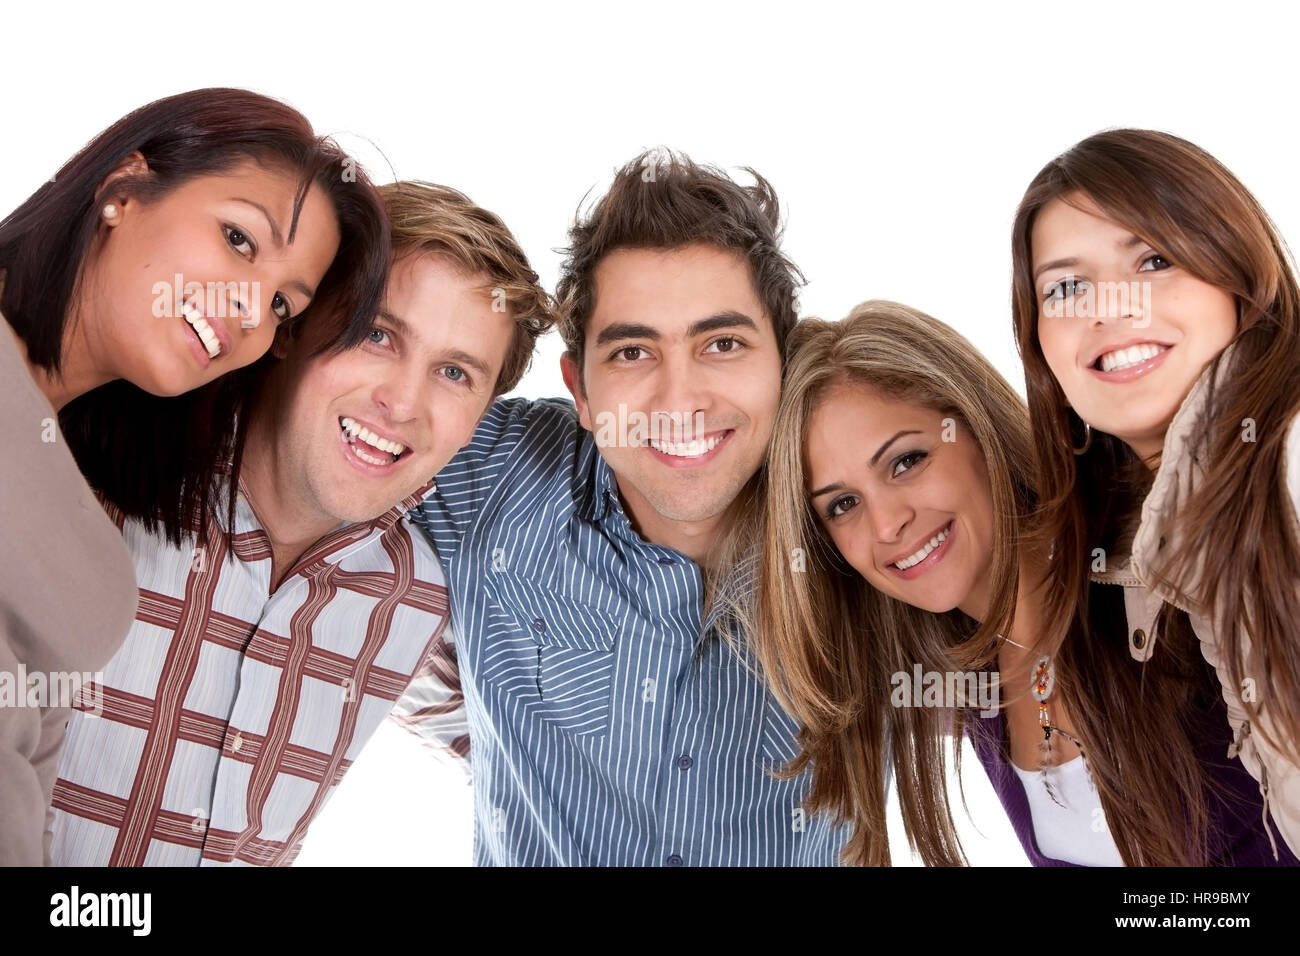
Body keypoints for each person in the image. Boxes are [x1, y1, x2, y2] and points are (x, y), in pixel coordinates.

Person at [49, 181, 552, 865]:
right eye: (377, 334)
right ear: (294, 327)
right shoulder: (95, 470)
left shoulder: (419, 600)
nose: (402, 403)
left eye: (455, 373)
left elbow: (535, 762)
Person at [404, 150, 849, 865]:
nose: (680, 401)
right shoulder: (485, 472)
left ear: (786, 362)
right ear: (580, 390)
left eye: (723, 343)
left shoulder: (864, 526)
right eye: (634, 353)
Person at [755, 300, 1296, 866]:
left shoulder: (1166, 575)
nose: (887, 523)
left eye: (906, 461)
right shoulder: (968, 684)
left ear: (977, 426)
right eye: (842, 504)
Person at [0, 87, 388, 866]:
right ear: (124, 188)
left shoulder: (98, 538)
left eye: (283, 303)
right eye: (239, 240)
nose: (250, 309)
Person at [1013, 129, 1300, 857]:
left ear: (1237, 273)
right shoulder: (1136, 542)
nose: (1109, 308)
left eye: (1153, 259)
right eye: (1066, 287)